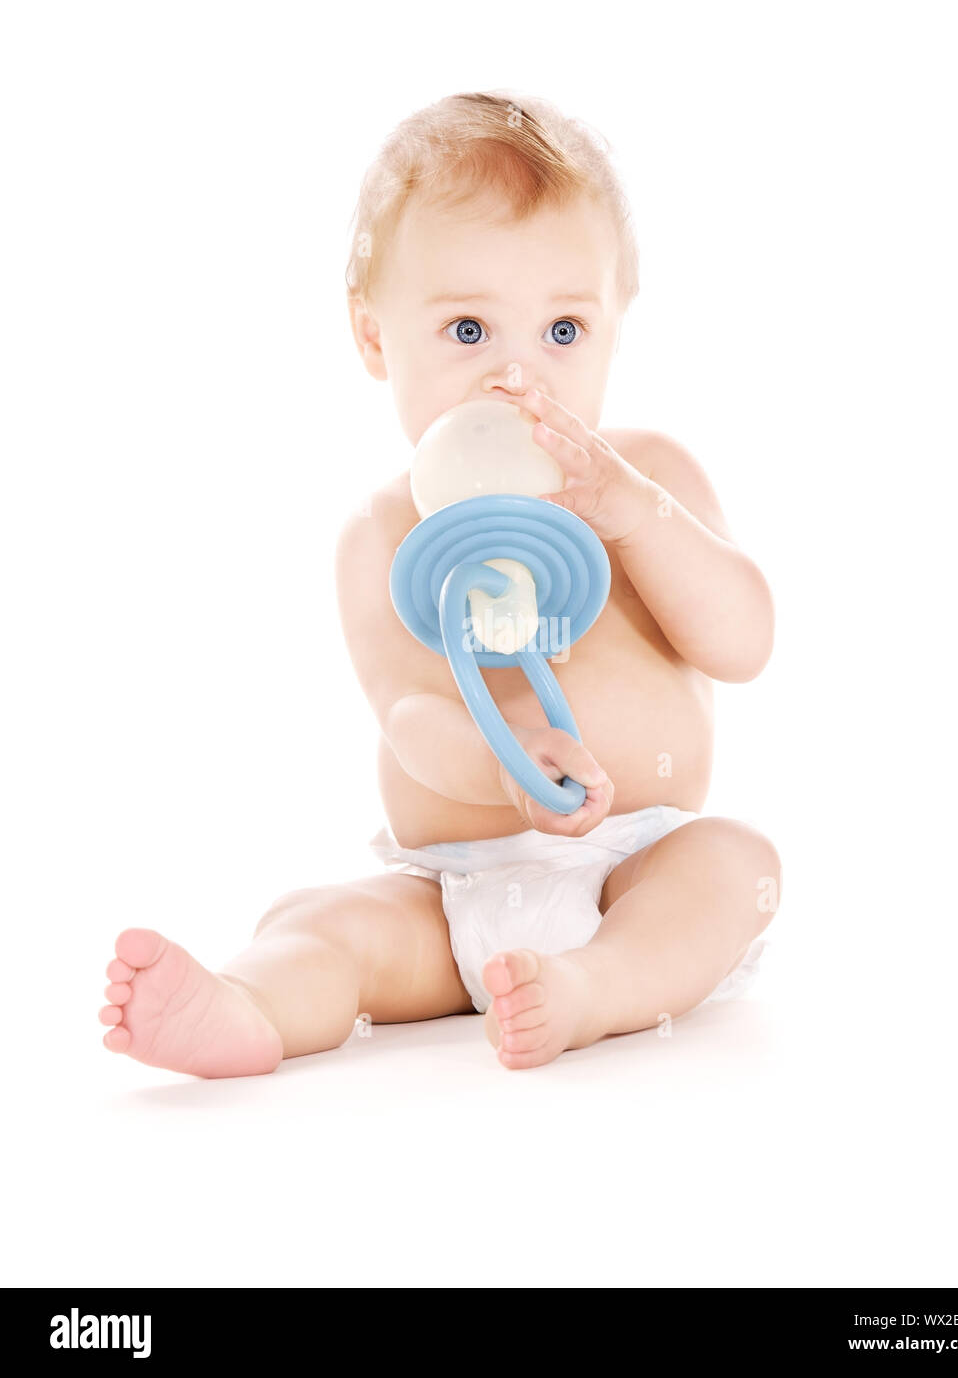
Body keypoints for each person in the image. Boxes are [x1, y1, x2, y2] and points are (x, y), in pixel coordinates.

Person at [98, 91, 781, 1076]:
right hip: (454, 889)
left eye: (562, 330)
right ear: (375, 337)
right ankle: (252, 1001)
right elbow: (410, 713)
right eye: (468, 331)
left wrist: (630, 512)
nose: (519, 378)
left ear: (616, 326)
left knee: (735, 863)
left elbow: (743, 640)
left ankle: (598, 986)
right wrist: (501, 765)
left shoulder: (649, 479)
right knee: (325, 920)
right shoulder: (383, 536)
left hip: (634, 866)